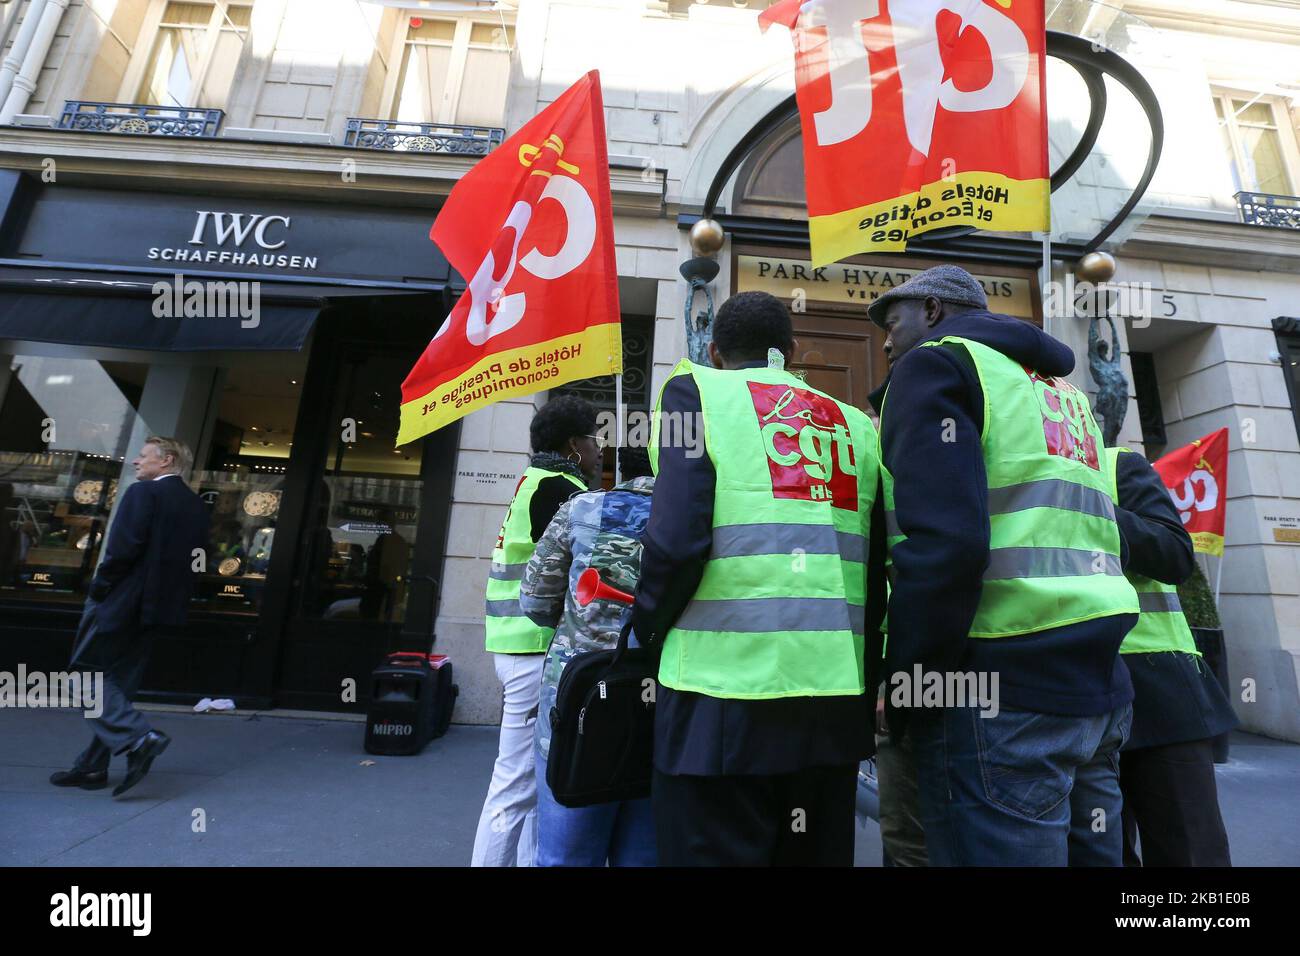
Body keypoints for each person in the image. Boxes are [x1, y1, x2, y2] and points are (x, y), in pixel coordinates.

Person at [868, 265, 1139, 867]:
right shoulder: (1062, 394)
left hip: (1001, 694)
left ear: (933, 311)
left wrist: (910, 684)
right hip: (1100, 685)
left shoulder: (937, 364)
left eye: (893, 323)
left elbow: (947, 545)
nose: (886, 342)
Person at [631, 290, 887, 867]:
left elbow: (674, 543)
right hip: (831, 705)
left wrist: (644, 629)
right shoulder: (854, 426)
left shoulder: (694, 393)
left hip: (719, 702)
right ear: (790, 351)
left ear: (716, 351)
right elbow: (875, 574)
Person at [471, 395, 602, 867]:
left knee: (533, 783)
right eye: (594, 439)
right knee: (514, 787)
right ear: (574, 445)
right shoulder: (562, 490)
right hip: (533, 651)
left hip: (515, 647)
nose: (600, 448)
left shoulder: (536, 480)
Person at [50, 436, 210, 798]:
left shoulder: (143, 494)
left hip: (121, 603)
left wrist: (100, 588)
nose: (135, 463)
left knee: (83, 678)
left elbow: (122, 550)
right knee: (117, 687)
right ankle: (92, 767)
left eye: (142, 456)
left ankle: (141, 738)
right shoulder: (195, 505)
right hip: (158, 610)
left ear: (166, 460)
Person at [520, 446, 657, 867]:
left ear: (618, 472)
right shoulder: (698, 519)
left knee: (566, 855)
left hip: (577, 704)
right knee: (643, 856)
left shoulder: (580, 509)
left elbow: (536, 602)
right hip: (662, 704)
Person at [1105, 445, 1237, 866]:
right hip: (1068, 690)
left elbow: (1174, 555)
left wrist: (1085, 506)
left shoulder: (1116, 463)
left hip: (1159, 695)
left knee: (1189, 852)